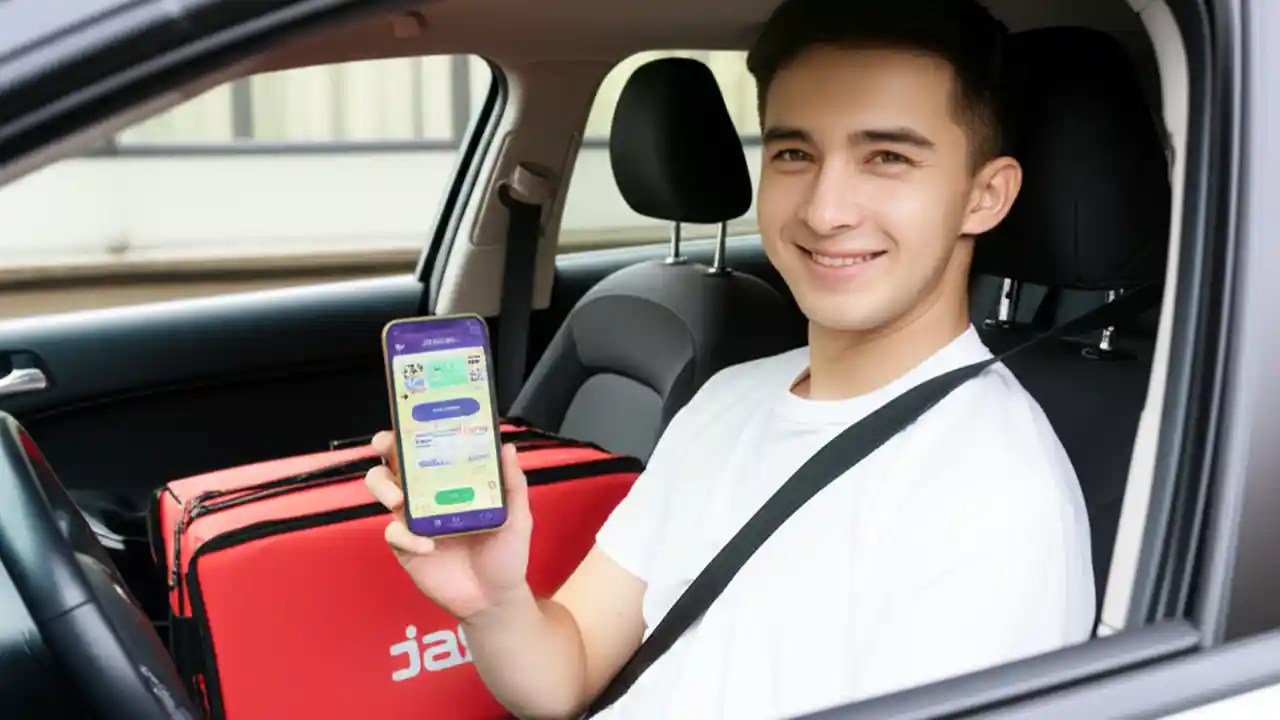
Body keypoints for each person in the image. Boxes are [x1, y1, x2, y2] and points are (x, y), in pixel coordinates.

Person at [364, 0, 1095, 717]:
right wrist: (495, 603)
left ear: (984, 196)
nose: (824, 210)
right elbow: (570, 670)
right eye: (795, 154)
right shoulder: (726, 398)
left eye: (887, 158)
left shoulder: (998, 496)